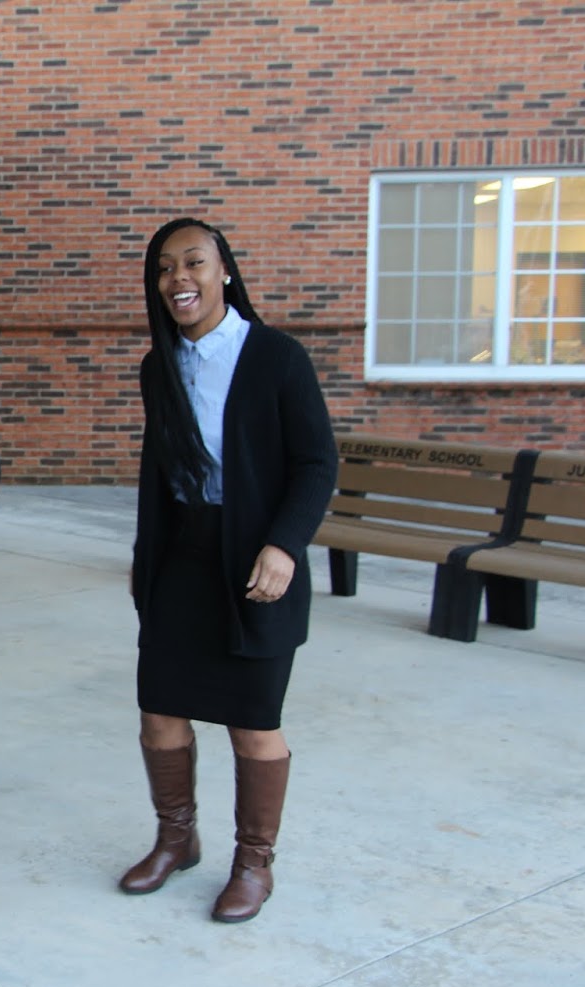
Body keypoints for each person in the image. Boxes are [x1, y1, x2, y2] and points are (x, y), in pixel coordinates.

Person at [121, 217, 336, 923]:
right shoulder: (160, 364)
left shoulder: (275, 356)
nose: (178, 279)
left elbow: (315, 463)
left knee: (253, 723)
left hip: (255, 563)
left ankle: (253, 864)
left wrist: (284, 544)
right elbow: (162, 475)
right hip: (182, 557)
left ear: (225, 273)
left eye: (194, 263)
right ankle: (177, 840)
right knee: (160, 714)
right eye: (164, 268)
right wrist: (144, 566)